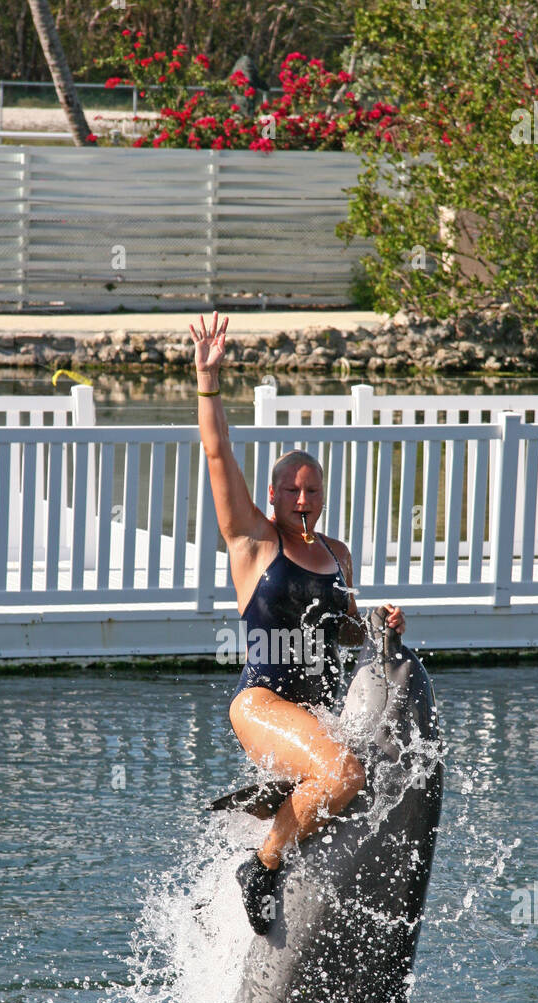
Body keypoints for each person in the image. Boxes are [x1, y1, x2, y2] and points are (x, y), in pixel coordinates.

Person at [190, 311, 406, 933]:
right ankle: (259, 865)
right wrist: (208, 382)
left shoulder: (337, 555)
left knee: (363, 785)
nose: (303, 502)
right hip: (260, 702)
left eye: (312, 492)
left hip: (319, 713)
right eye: (292, 492)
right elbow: (216, 451)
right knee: (342, 773)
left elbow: (347, 633)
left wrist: (383, 626)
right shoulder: (253, 543)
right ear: (274, 495)